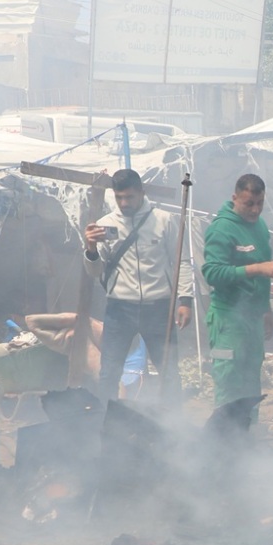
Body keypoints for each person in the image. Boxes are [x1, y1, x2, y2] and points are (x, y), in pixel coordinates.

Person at [83, 168, 191, 404]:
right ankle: (107, 425)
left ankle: (175, 428)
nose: (124, 203)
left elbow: (181, 260)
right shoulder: (105, 225)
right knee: (109, 372)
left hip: (159, 307)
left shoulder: (164, 220)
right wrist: (90, 249)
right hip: (120, 309)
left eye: (129, 197)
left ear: (141, 193)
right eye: (119, 197)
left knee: (169, 371)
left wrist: (185, 300)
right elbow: (95, 271)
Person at [203, 173, 273, 431]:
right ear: (234, 198)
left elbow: (262, 281)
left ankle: (247, 442)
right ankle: (222, 445)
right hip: (227, 321)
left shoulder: (260, 226)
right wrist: (256, 268)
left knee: (251, 386)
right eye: (248, 203)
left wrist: (267, 310)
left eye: (259, 203)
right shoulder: (221, 228)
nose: (255, 209)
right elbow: (212, 273)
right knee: (229, 385)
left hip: (252, 321)